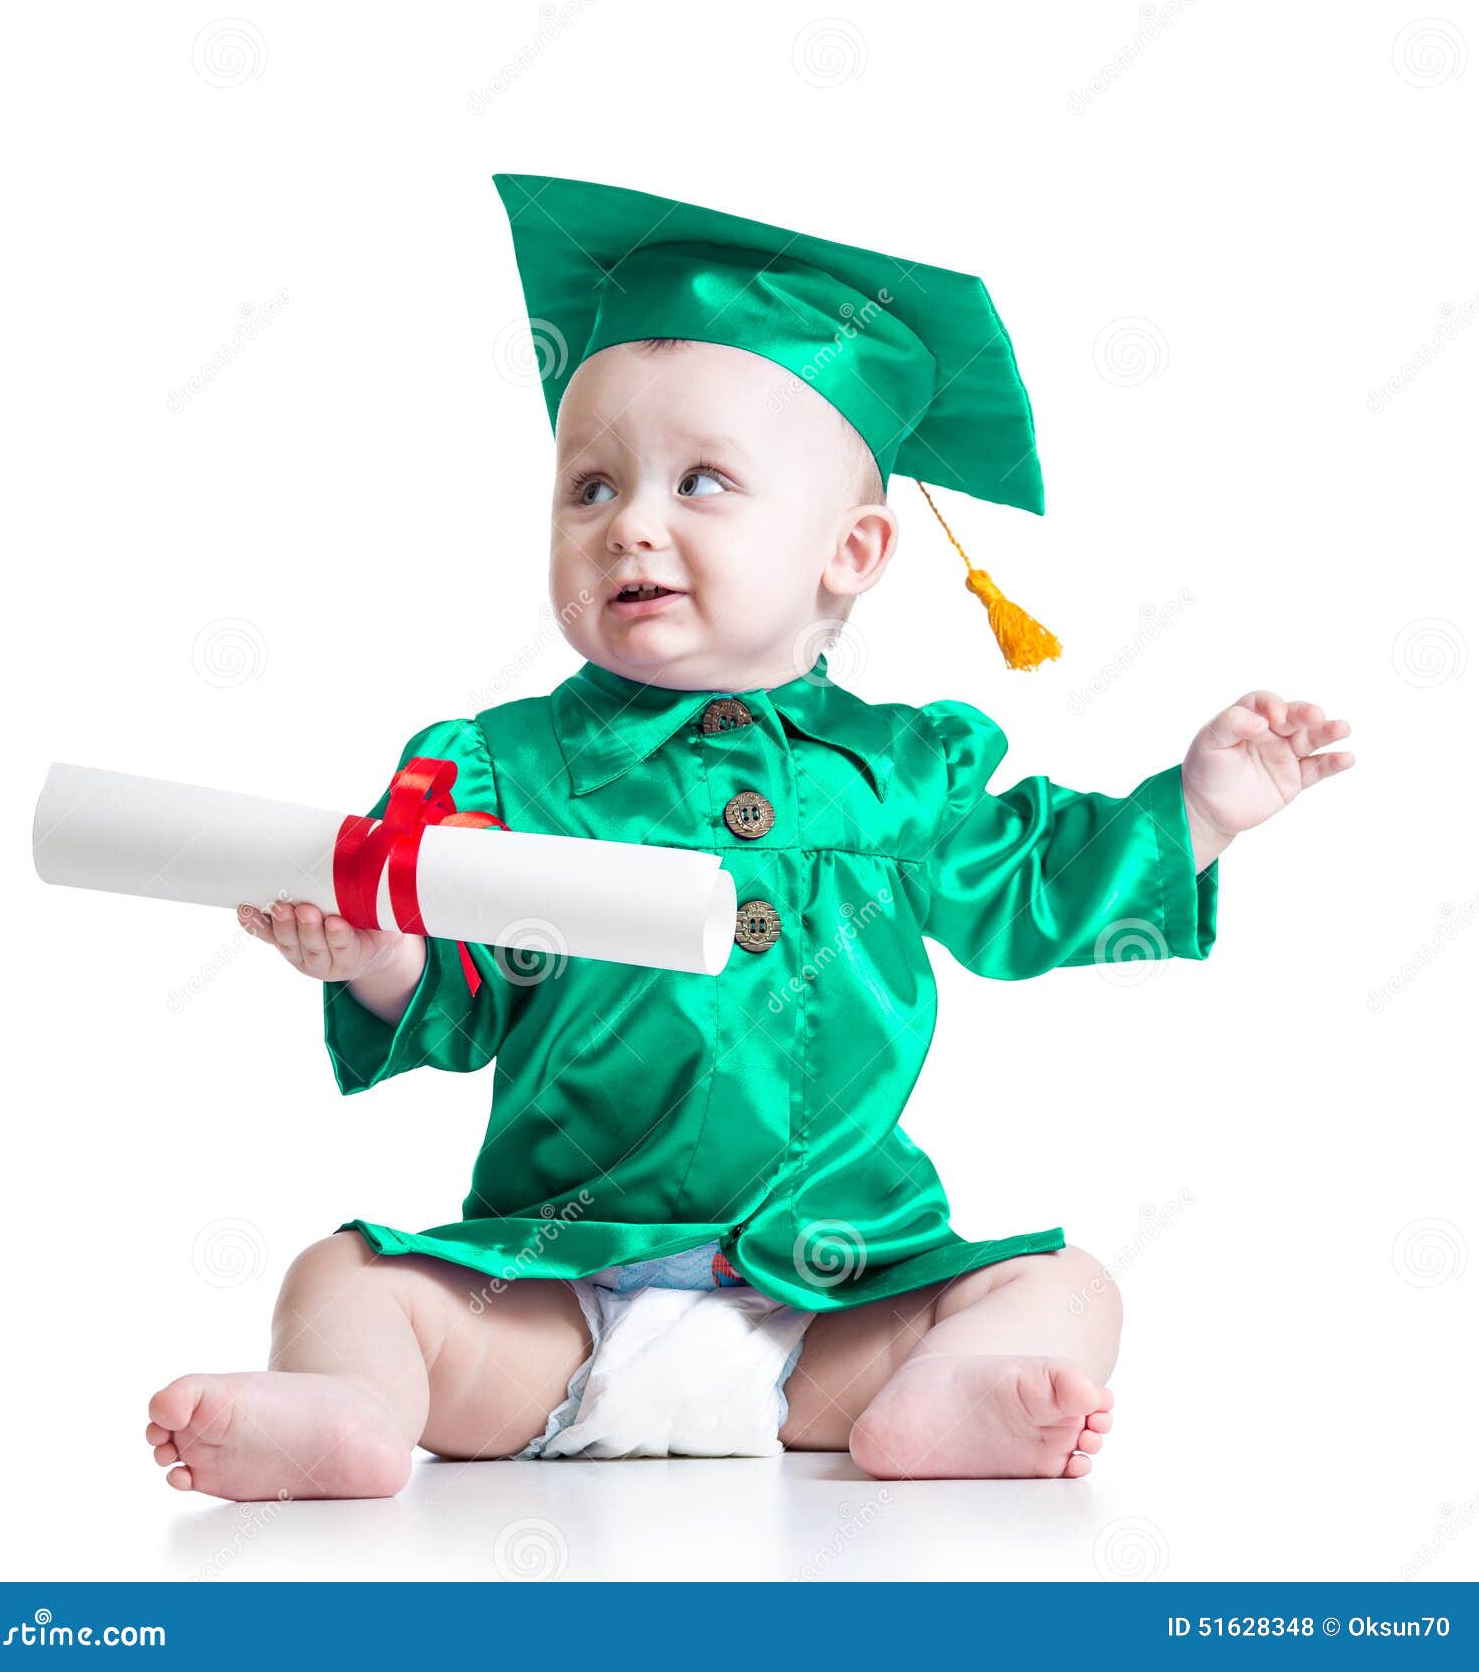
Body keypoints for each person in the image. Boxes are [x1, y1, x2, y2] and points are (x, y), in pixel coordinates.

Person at [145, 175, 1352, 1498]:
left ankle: (945, 1398)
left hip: (841, 1294)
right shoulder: (499, 769)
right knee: (346, 1274)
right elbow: (456, 998)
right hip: (549, 1289)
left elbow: (1031, 889)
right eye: (590, 484)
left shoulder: (900, 774)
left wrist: (1197, 808)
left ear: (851, 549)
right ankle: (346, 1409)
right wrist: (375, 949)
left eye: (700, 480)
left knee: (1061, 1284)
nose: (631, 523)